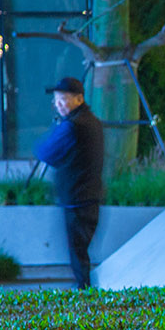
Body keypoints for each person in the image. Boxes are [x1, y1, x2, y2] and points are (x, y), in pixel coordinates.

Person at [34, 76, 105, 289]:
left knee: (78, 256)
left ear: (79, 99)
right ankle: (87, 295)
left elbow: (45, 151)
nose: (58, 104)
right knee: (81, 253)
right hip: (90, 197)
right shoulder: (93, 122)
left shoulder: (73, 125)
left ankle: (86, 300)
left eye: (63, 99)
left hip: (76, 199)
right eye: (56, 100)